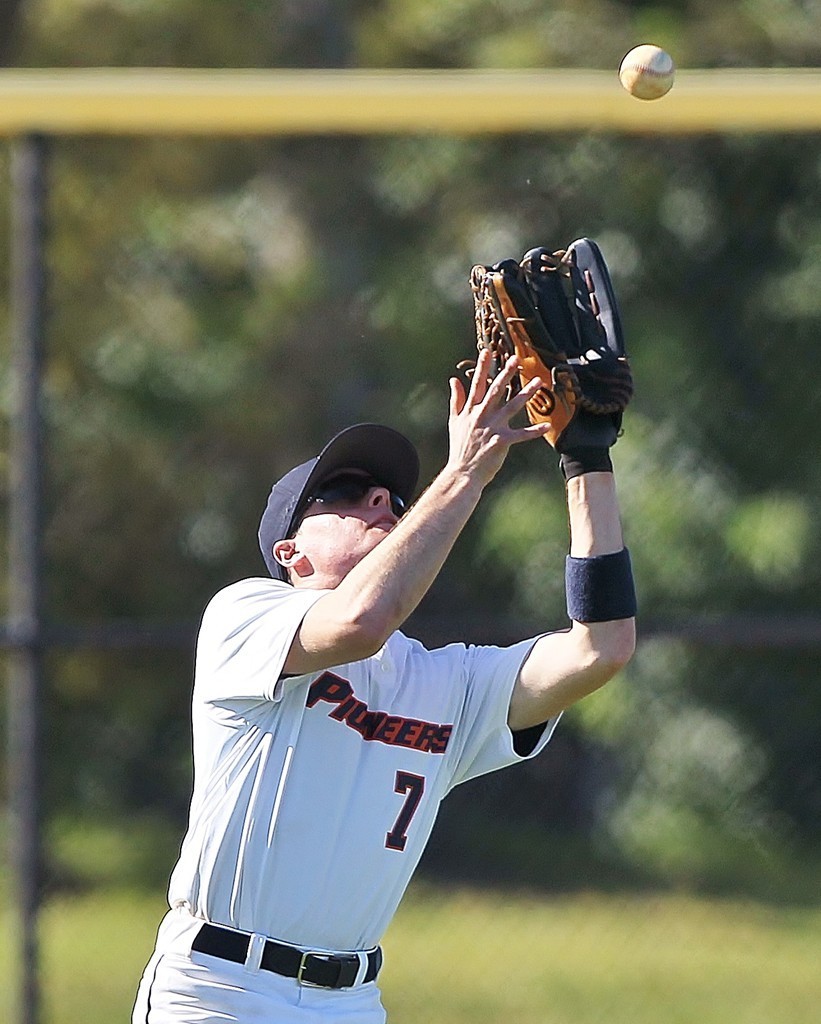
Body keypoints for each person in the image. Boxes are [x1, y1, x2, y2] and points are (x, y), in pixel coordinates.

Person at [132, 350, 636, 1024]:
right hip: (222, 990)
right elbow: (360, 620)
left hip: (352, 1002)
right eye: (342, 493)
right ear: (290, 554)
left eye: (393, 499)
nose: (379, 501)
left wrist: (585, 461)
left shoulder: (448, 682)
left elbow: (600, 648)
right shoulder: (246, 618)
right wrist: (462, 474)